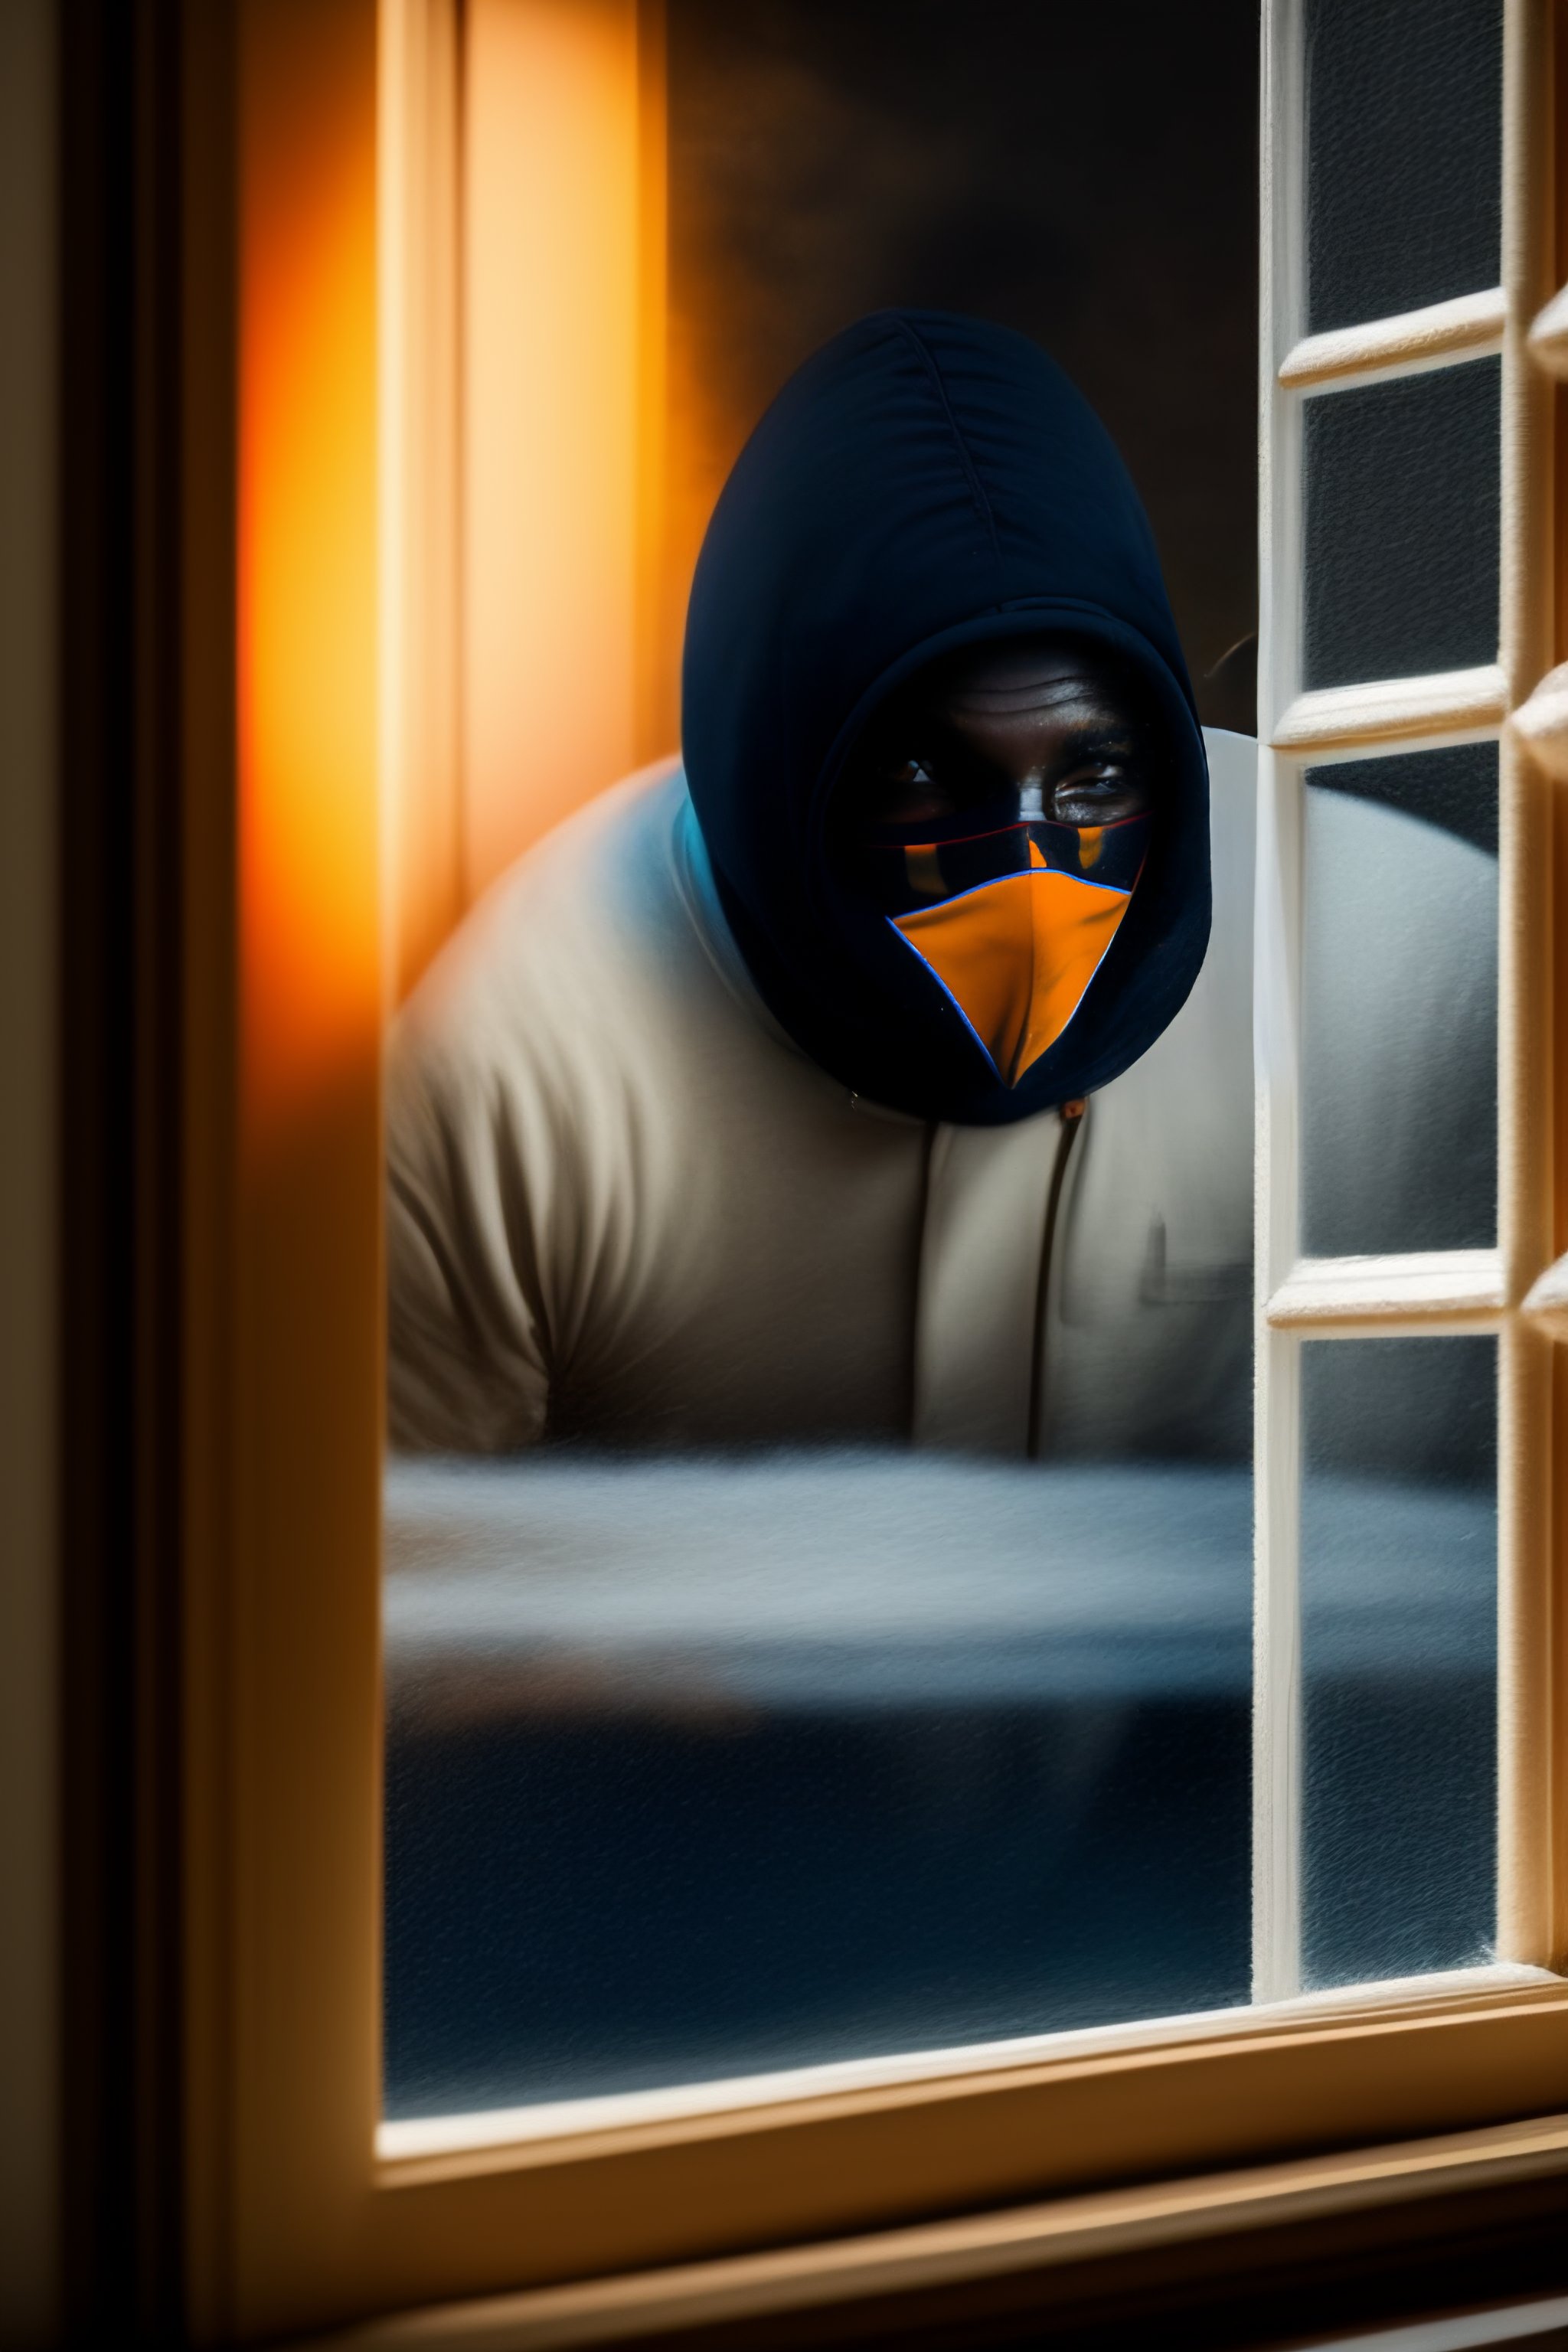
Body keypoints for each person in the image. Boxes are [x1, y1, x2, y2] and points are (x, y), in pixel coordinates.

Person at [387, 310, 1254, 1459]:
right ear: (774, 768)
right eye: (920, 776)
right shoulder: (517, 1080)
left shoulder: (1390, 973)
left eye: (1093, 775)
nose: (1031, 873)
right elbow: (388, 1588)